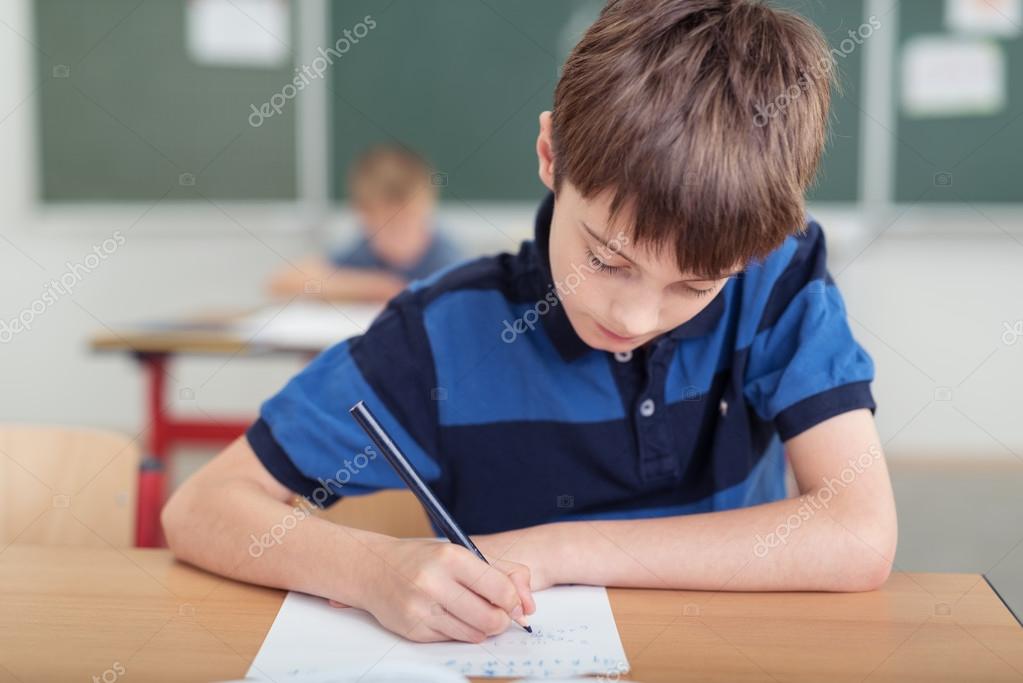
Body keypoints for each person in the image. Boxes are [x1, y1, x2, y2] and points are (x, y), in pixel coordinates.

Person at [164, 0, 897, 646]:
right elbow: (202, 508)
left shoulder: (775, 277)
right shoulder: (440, 336)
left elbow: (859, 534)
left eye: (695, 285)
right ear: (551, 155)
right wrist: (373, 568)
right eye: (607, 260)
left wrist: (553, 550)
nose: (635, 315)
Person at [269, 145, 461, 302]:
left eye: (409, 221)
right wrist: (372, 286)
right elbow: (283, 281)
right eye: (389, 227)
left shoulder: (445, 256)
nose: (400, 235)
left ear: (428, 207)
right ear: (362, 215)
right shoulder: (361, 252)